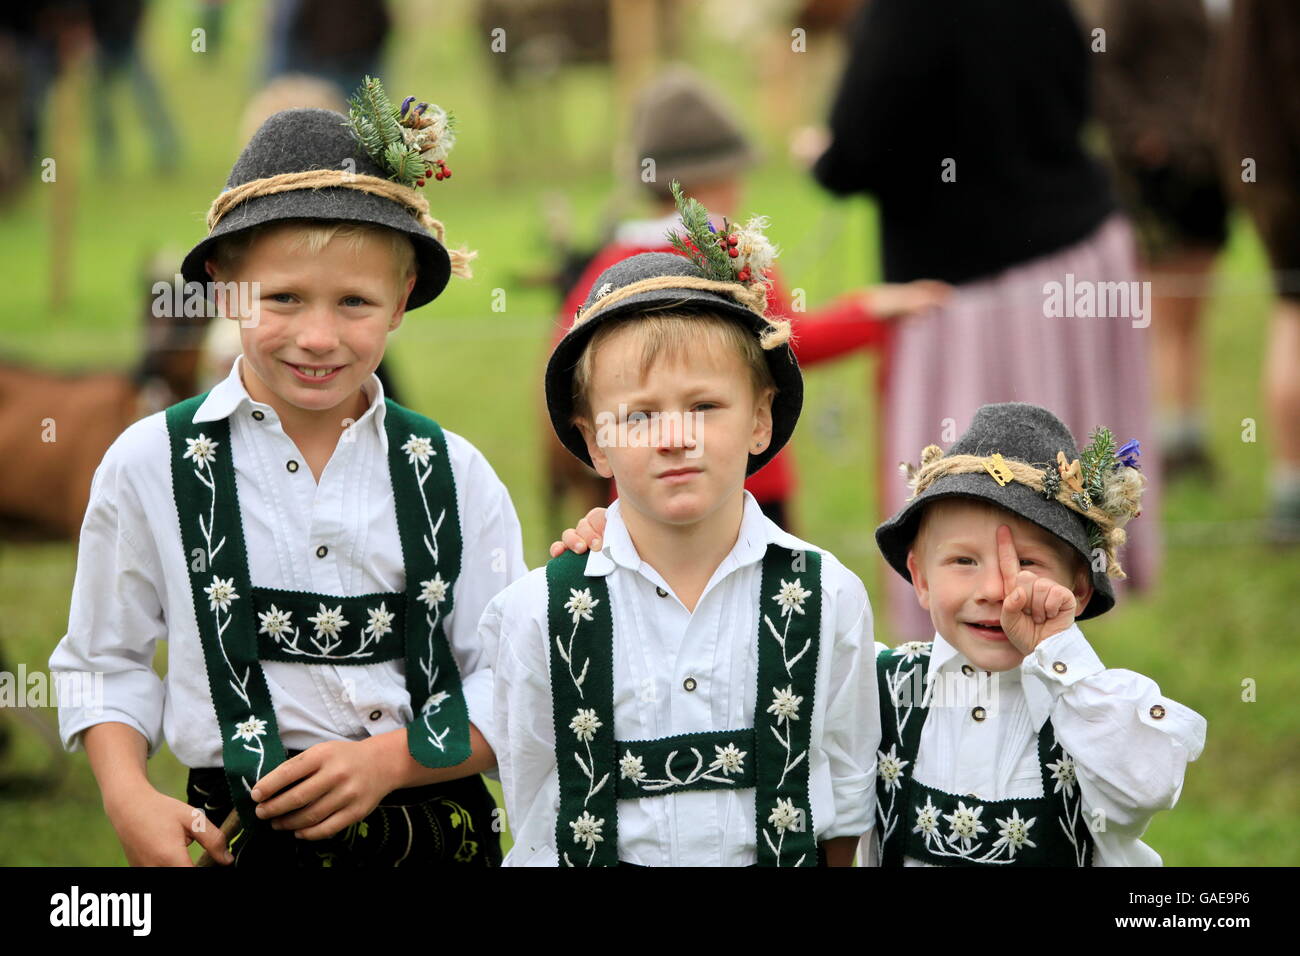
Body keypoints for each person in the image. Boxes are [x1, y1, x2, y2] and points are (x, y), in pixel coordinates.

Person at [47, 79, 526, 866]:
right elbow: (106, 660)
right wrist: (127, 795)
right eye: (283, 298)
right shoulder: (148, 466)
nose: (317, 335)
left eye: (355, 303)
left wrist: (388, 761)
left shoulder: (454, 477)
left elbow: (514, 684)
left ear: (402, 300)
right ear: (225, 288)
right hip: (241, 840)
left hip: (435, 838)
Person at [487, 189, 879, 865]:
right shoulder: (536, 615)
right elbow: (533, 810)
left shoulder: (828, 599)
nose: (674, 438)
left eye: (704, 406)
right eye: (638, 416)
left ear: (760, 420)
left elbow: (845, 809)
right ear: (595, 441)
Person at [811, 0, 1159, 640]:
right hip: (1076, 248)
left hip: (970, 283)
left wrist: (822, 156)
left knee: (978, 480)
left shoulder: (902, 14)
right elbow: (1076, 95)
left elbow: (857, 146)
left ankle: (992, 627)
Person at [549, 65, 949, 528]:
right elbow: (788, 338)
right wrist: (870, 312)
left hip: (646, 489)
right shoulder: (729, 253)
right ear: (719, 178)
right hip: (747, 477)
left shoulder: (612, 260)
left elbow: (569, 346)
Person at [867, 402, 1205, 865]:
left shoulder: (1092, 705)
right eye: (963, 561)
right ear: (921, 579)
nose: (993, 590)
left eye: (1026, 564)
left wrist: (1061, 653)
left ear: (1079, 591)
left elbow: (1147, 787)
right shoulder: (876, 686)